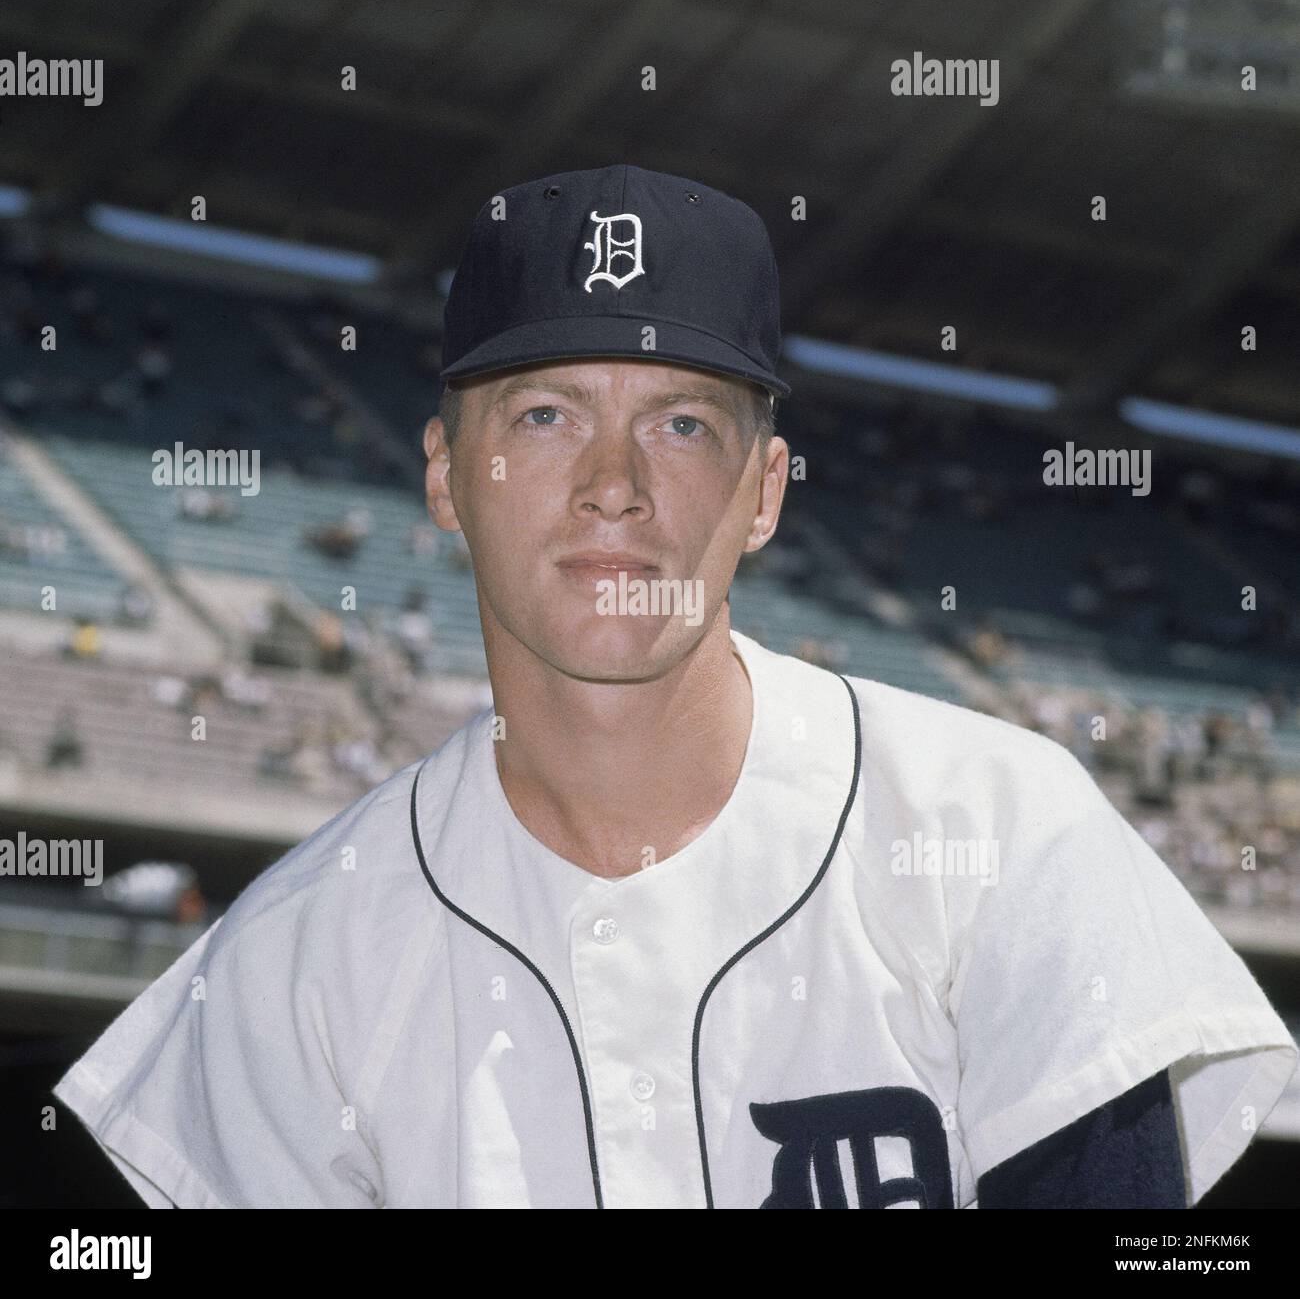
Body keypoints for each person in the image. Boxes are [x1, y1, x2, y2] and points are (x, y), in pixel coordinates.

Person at [53, 165, 1296, 1209]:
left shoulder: (999, 831)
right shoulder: (296, 958)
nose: (613, 482)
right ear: (443, 477)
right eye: (543, 415)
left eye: (683, 424)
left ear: (763, 492)